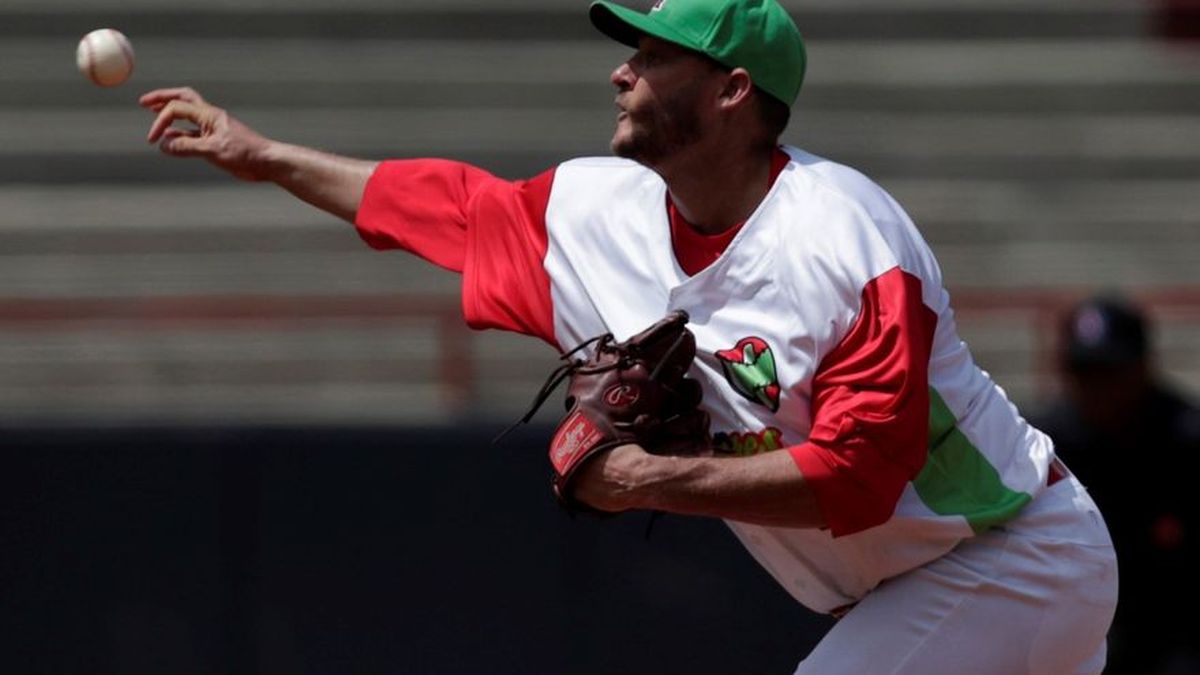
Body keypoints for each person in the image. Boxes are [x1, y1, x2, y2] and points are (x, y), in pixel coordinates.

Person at [139, 0, 1118, 671]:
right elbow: (448, 208)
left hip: (1009, 558)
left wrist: (647, 478)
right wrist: (264, 156)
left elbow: (862, 476)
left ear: (732, 91)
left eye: (654, 56)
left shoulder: (846, 241)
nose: (622, 70)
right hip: (910, 591)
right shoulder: (596, 213)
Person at [1033, 296, 1200, 675]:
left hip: (1176, 637)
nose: (1098, 389)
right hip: (1076, 637)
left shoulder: (1187, 442)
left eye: (1110, 373)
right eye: (1085, 373)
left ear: (1143, 366)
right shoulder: (1043, 449)